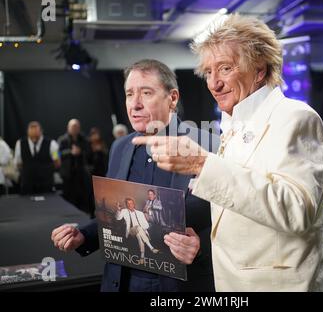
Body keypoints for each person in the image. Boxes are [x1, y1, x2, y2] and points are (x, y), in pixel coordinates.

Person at [133, 14, 323, 292]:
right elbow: (237, 209)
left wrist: (202, 164)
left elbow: (296, 211)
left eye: (225, 68)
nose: (214, 84)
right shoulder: (233, 126)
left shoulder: (296, 118)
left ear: (260, 69)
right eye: (208, 73)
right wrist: (200, 243)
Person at [51, 59, 219, 292]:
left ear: (172, 98)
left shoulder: (207, 144)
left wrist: (200, 249)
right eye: (130, 94)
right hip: (122, 279)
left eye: (146, 93)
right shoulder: (120, 147)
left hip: (180, 284)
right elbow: (116, 212)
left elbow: (229, 220)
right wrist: (83, 235)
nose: (135, 104)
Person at [14, 121, 60, 194]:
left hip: (46, 184)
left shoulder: (52, 143)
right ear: (28, 133)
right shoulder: (20, 143)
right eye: (32, 135)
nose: (34, 138)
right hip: (27, 184)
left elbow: (57, 162)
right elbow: (18, 163)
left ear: (41, 131)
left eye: (36, 135)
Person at [58, 119, 92, 214]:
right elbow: (58, 154)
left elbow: (89, 152)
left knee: (83, 197)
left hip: (81, 173)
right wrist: (70, 152)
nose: (75, 128)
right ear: (68, 128)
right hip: (68, 174)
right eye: (73, 127)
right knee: (69, 197)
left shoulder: (84, 139)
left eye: (76, 126)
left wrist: (80, 152)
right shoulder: (62, 140)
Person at [117, 197, 160, 264]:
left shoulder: (140, 213)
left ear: (134, 204)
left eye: (131, 203)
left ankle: (142, 257)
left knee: (139, 234)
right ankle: (151, 248)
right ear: (126, 205)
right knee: (137, 228)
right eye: (128, 204)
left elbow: (146, 225)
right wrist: (118, 210)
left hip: (140, 232)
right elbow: (118, 218)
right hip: (130, 232)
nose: (129, 205)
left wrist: (141, 229)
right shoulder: (124, 211)